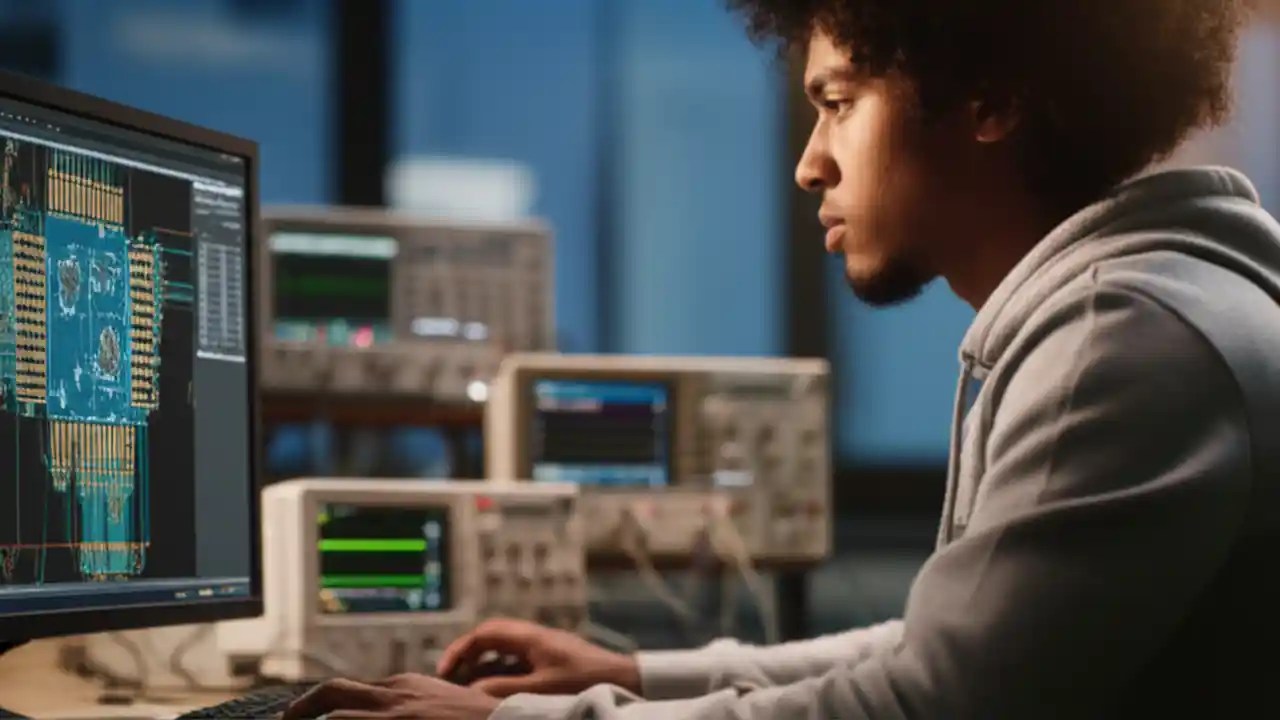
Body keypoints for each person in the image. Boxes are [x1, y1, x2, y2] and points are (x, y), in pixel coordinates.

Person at [283, 0, 1280, 717]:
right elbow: (949, 649)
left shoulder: (1118, 339)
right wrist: (633, 677)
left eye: (837, 101)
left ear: (989, 98)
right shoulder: (1148, 308)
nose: (808, 161)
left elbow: (926, 702)